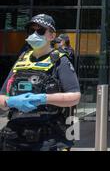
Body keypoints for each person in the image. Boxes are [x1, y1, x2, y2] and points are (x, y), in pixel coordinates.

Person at [0, 14, 81, 151]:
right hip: (15, 137)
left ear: (52, 35)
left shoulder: (60, 61)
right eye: (31, 31)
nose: (34, 34)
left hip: (46, 138)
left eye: (40, 31)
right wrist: (11, 101)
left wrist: (43, 99)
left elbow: (74, 96)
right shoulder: (22, 60)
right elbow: (2, 95)